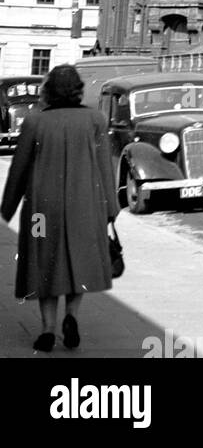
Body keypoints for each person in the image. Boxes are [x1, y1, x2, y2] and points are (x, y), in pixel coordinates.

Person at [0, 64, 115, 352]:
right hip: (85, 207)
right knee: (79, 262)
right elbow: (105, 168)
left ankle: (48, 329)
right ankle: (72, 317)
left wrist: (6, 209)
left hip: (40, 210)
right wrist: (111, 209)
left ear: (48, 91)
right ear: (78, 90)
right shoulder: (96, 120)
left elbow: (19, 169)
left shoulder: (35, 122)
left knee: (42, 261)